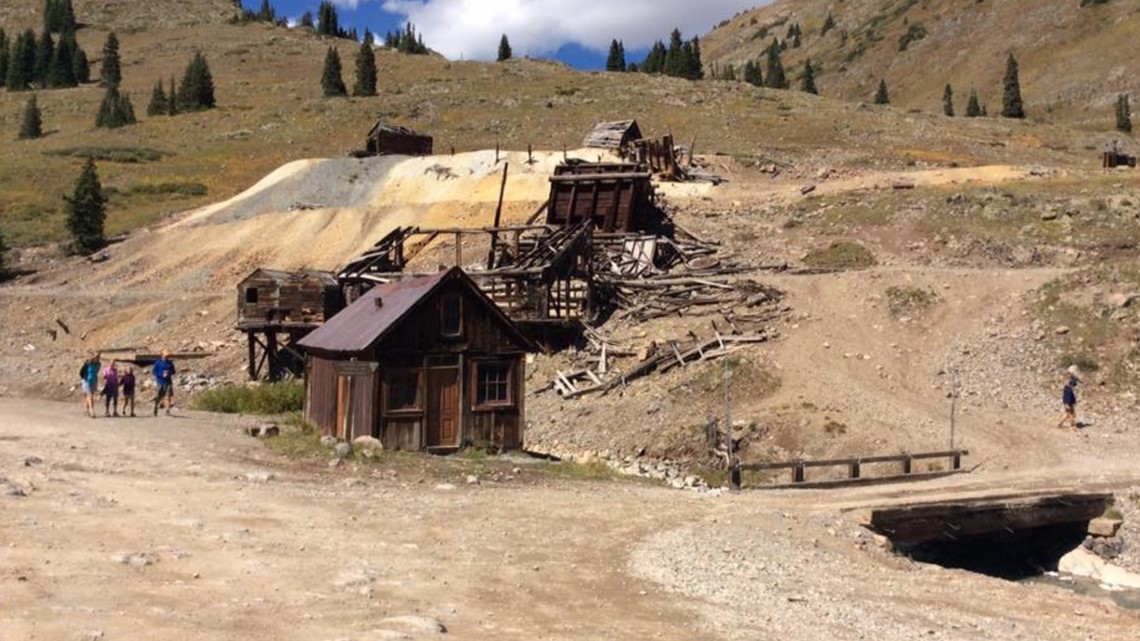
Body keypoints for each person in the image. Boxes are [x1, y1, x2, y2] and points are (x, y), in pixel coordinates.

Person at [1057, 365, 1081, 431]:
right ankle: (1072, 426)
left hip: (1069, 402)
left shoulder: (1069, 386)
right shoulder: (1068, 388)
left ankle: (1060, 423)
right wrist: (1067, 403)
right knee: (1071, 414)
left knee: (1068, 414)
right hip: (1068, 402)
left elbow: (1076, 379)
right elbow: (1067, 396)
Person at [152, 351, 176, 416]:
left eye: (168, 355)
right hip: (160, 382)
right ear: (162, 355)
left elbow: (174, 371)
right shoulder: (158, 363)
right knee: (158, 396)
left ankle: (167, 411)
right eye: (166, 355)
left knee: (168, 396)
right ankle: (156, 407)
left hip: (168, 382)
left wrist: (169, 372)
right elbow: (154, 372)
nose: (167, 357)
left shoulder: (170, 363)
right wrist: (161, 374)